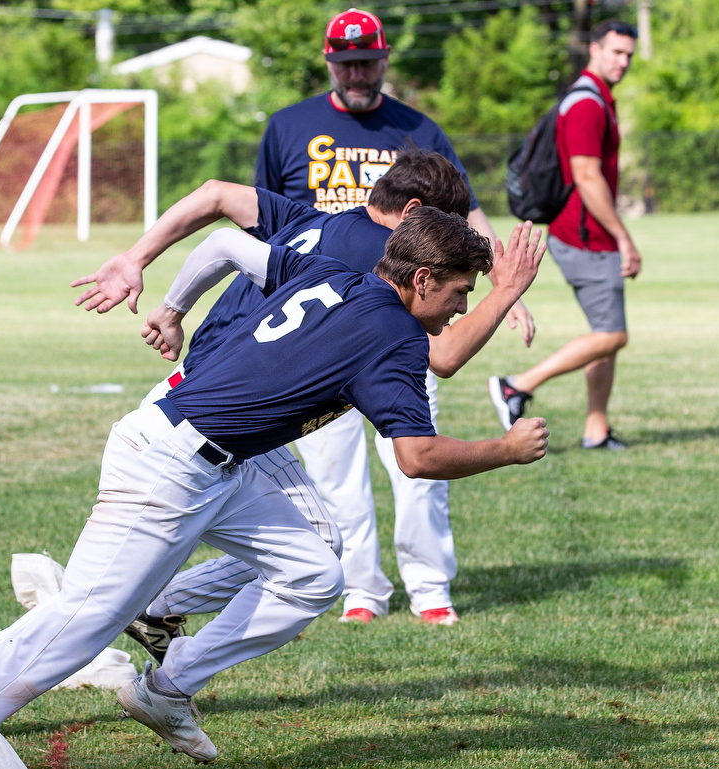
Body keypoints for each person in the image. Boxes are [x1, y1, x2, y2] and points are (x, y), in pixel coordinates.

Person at [0, 208, 549, 769]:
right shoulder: (394, 334)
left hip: (213, 459)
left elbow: (227, 243)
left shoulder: (336, 277)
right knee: (79, 626)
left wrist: (175, 306)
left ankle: (167, 685)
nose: (461, 305)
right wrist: (509, 449)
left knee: (315, 570)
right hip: (170, 465)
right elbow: (418, 455)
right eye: (460, 291)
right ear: (423, 278)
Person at [70, 149, 538, 659]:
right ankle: (133, 616)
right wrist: (507, 291)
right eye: (442, 225)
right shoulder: (383, 260)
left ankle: (132, 611)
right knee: (311, 549)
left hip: (197, 396)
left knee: (312, 542)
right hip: (224, 415)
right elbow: (442, 356)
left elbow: (215, 196)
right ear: (412, 215)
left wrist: (156, 285)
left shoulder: (315, 220)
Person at [254, 6, 533, 625]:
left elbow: (466, 210)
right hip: (322, 323)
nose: (357, 72)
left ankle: (430, 587)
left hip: (409, 314)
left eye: (368, 61)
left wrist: (503, 286)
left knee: (417, 451)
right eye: (345, 62)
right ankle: (362, 588)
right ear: (329, 62)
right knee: (333, 465)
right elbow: (267, 223)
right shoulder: (287, 126)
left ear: (384, 60)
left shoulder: (418, 129)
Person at [488, 19, 642, 450]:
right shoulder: (587, 103)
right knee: (613, 335)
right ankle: (516, 386)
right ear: (594, 49)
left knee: (604, 336)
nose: (623, 61)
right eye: (615, 52)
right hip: (584, 238)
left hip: (591, 236)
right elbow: (586, 176)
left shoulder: (596, 99)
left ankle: (597, 429)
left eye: (629, 54)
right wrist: (624, 239)